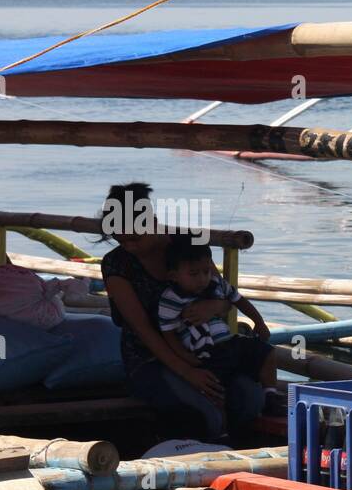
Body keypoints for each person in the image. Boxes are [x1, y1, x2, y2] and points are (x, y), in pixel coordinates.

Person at [98, 182, 263, 441]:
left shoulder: (189, 245)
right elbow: (143, 330)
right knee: (202, 412)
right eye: (121, 240)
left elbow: (223, 295)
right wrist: (187, 372)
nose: (129, 246)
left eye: (135, 238)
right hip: (150, 358)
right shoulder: (116, 263)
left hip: (208, 351)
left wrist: (215, 306)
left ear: (152, 222)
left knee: (250, 397)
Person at [158, 239, 279, 414]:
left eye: (206, 271)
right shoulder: (171, 298)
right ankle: (221, 423)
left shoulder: (217, 285)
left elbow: (239, 300)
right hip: (205, 353)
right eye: (193, 274)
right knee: (214, 389)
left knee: (267, 352)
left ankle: (271, 395)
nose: (202, 279)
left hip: (230, 342)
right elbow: (168, 332)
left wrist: (259, 322)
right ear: (173, 276)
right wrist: (184, 356)